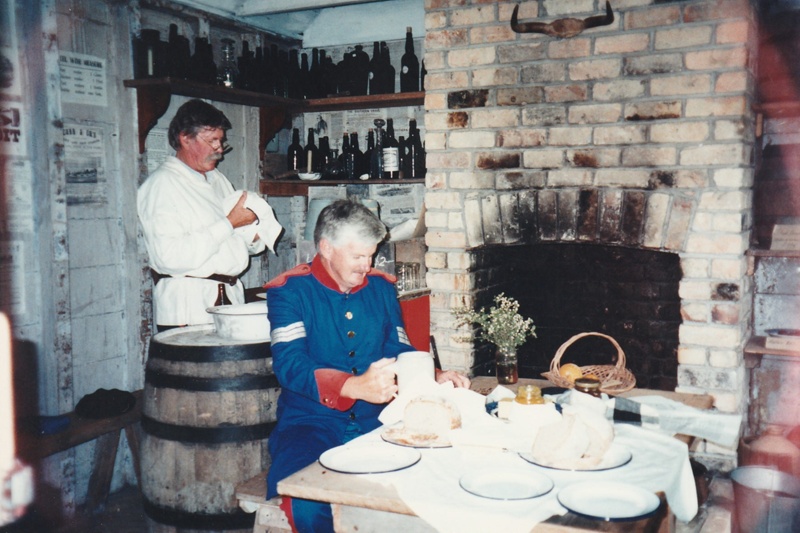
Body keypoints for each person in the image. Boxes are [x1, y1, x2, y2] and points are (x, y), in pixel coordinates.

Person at [264, 199, 470, 533]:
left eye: (371, 255)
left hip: (379, 422)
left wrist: (432, 375)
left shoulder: (380, 288)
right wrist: (351, 386)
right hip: (310, 423)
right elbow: (290, 364)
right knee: (307, 502)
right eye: (358, 256)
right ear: (326, 248)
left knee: (430, 486)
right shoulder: (290, 292)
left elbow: (398, 349)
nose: (367, 264)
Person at [138, 99, 279, 330]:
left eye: (221, 141)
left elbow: (238, 239)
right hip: (189, 306)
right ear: (185, 138)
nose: (220, 150)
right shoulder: (162, 185)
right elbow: (169, 257)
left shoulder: (217, 180)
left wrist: (253, 234)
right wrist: (230, 223)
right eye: (212, 141)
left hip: (229, 299)